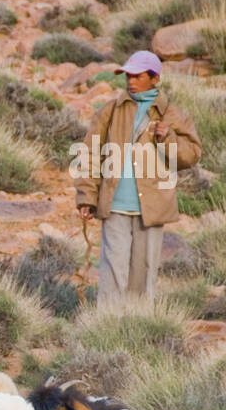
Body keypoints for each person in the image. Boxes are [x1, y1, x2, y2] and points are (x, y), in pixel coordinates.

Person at [74, 50, 202, 305]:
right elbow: (89, 154)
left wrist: (169, 138)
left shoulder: (171, 114)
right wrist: (87, 197)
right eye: (128, 76)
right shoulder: (110, 111)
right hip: (114, 206)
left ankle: (137, 327)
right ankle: (107, 328)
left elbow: (192, 155)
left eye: (137, 76)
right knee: (112, 272)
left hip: (152, 208)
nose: (131, 81)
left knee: (144, 273)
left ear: (154, 78)